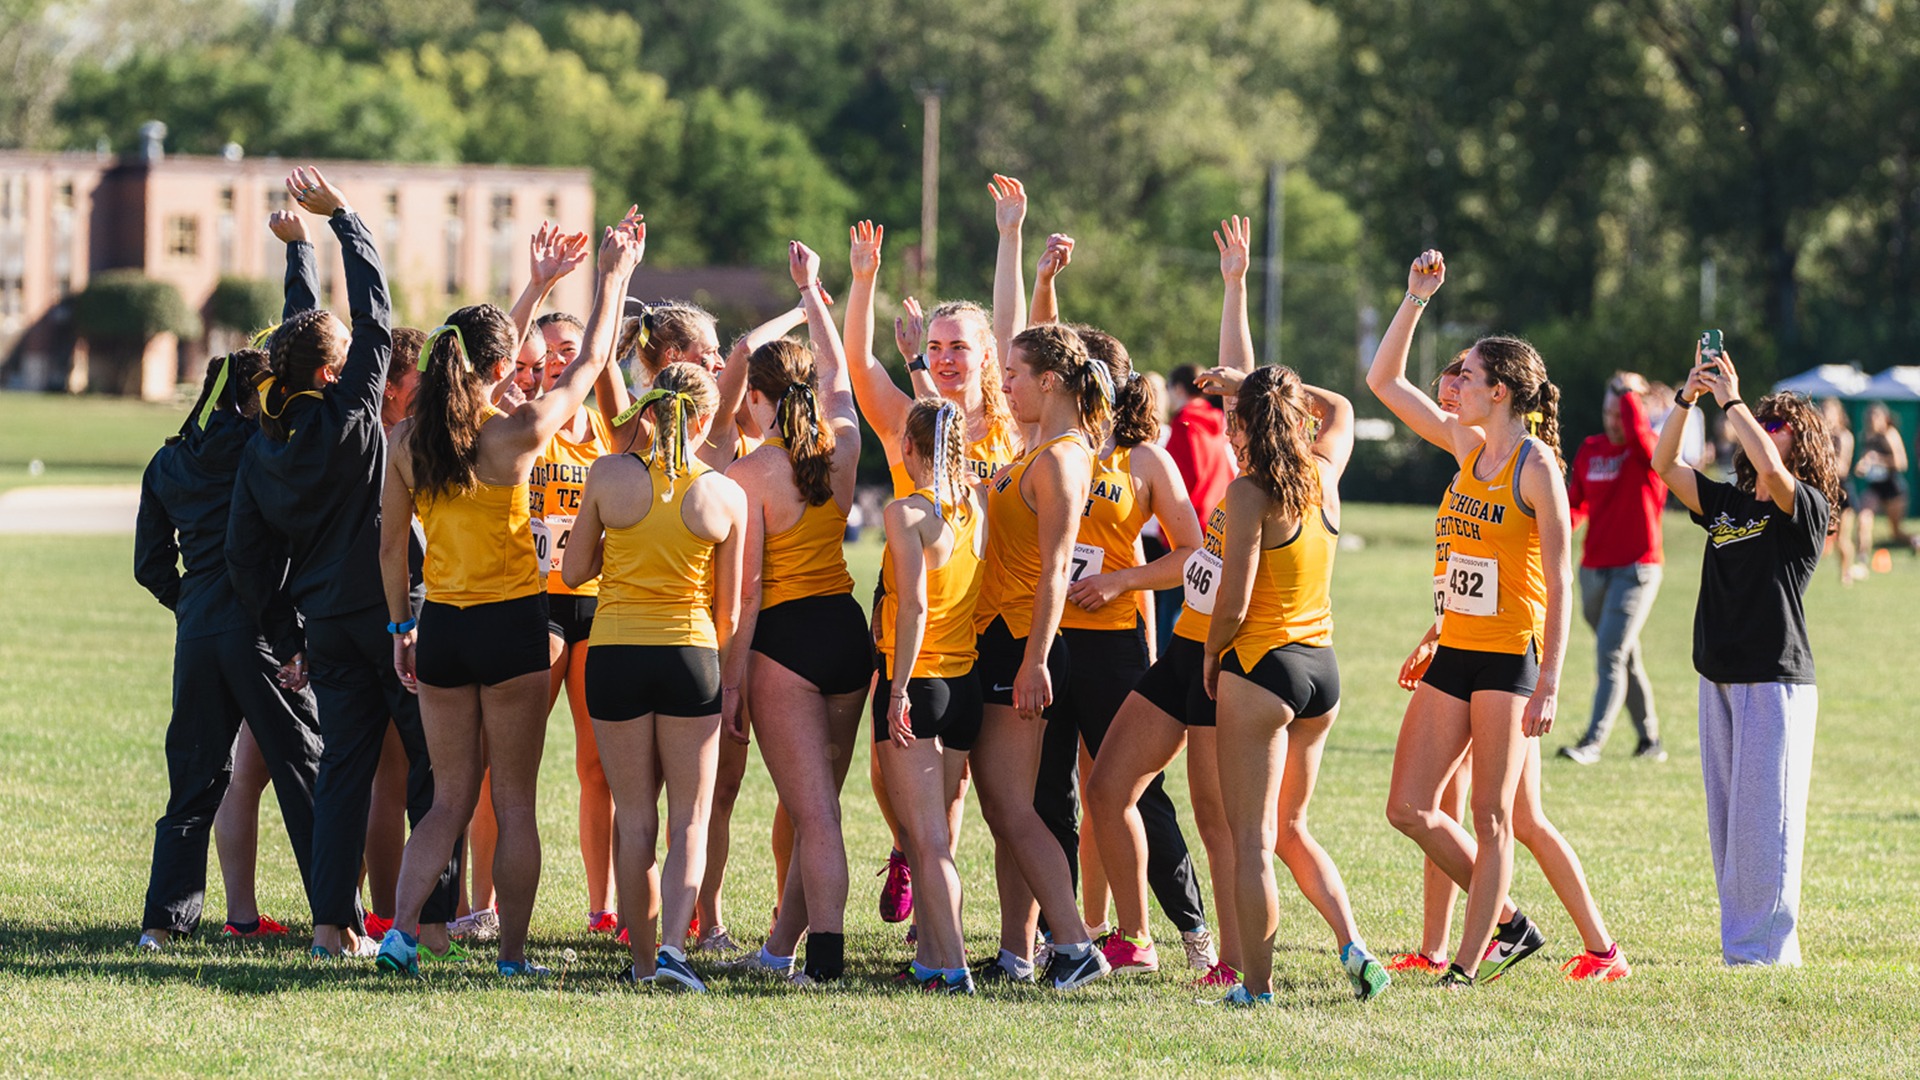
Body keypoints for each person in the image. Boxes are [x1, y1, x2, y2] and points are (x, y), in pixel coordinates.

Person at [372, 212, 643, 977]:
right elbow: (588, 363)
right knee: (516, 800)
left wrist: (400, 627)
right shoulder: (514, 432)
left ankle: (399, 936)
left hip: (443, 628)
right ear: (503, 368)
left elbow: (392, 547)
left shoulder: (406, 441)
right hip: (514, 625)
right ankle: (514, 958)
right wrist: (615, 276)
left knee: (448, 798)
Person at [1369, 250, 1627, 987]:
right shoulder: (1467, 443)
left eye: (1468, 377)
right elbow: (1383, 382)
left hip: (1511, 660)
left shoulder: (1537, 467)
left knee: (1493, 815)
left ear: (1503, 392)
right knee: (1409, 808)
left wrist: (1549, 682)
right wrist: (1415, 297)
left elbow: (1561, 580)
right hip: (1455, 650)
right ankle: (1510, 921)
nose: (1454, 387)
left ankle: (1464, 965)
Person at [226, 168, 456, 959]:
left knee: (341, 779)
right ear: (333, 372)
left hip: (323, 626)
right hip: (393, 614)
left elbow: (244, 558)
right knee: (430, 765)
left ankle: (333, 929)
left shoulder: (268, 444)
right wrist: (346, 221)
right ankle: (428, 922)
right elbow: (376, 317)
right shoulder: (357, 408)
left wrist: (286, 639)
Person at [1085, 218, 1261, 992]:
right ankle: (1139, 934)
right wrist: (1230, 285)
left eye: (1250, 413)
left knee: (1225, 825)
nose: (1233, 415)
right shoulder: (1241, 462)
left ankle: (1228, 959)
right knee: (1107, 787)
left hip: (1229, 656)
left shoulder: (1266, 477)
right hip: (1185, 646)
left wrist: (1237, 289)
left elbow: (1250, 381)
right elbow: (1242, 378)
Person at [842, 215, 1020, 929]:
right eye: (936, 348)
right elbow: (861, 369)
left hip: (991, 621)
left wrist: (1009, 239)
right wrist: (863, 281)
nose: (946, 359)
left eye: (960, 349)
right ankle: (907, 851)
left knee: (966, 779)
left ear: (986, 358)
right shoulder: (914, 425)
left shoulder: (1014, 427)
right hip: (914, 617)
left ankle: (939, 919)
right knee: (892, 768)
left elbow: (1017, 328)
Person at [1197, 362, 1387, 1006]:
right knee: (1292, 827)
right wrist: (1265, 381)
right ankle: (1354, 945)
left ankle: (1257, 987)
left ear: (1245, 423)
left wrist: (1211, 654)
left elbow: (1232, 601)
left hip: (1263, 670)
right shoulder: (1325, 476)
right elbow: (1344, 412)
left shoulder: (1248, 492)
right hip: (1321, 672)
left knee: (1252, 840)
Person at [1651, 348, 1840, 965]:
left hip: (1776, 679)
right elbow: (1664, 463)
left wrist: (1732, 400)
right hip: (1720, 676)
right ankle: (1743, 945)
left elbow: (1775, 473)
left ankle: (1765, 954)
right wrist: (1687, 399)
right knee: (1731, 828)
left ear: (1798, 442)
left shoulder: (1802, 505)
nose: (1763, 427)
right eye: (1764, 420)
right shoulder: (1729, 504)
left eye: (1776, 423)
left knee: (1767, 824)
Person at [565, 358, 748, 990]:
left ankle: (643, 965)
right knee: (689, 820)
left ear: (647, 411)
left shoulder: (608, 474)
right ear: (702, 419)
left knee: (635, 818)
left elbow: (570, 572)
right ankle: (674, 950)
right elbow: (727, 613)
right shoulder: (726, 493)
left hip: (614, 652)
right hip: (689, 657)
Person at [133, 348, 323, 950]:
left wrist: (189, 603)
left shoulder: (168, 461)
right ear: (253, 396)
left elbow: (149, 565)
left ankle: (162, 925)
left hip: (198, 635)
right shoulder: (259, 451)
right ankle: (334, 919)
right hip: (261, 631)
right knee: (306, 767)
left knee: (193, 779)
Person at [720, 241, 870, 985]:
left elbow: (746, 592)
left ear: (757, 397)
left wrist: (733, 677)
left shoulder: (751, 472)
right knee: (822, 811)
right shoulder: (843, 446)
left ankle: (827, 964)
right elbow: (839, 377)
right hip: (847, 632)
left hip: (785, 643)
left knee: (815, 818)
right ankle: (783, 947)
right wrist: (812, 292)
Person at [968, 323, 1111, 989]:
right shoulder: (1040, 448)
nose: (1006, 386)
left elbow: (1056, 569)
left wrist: (1035, 659)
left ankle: (1077, 946)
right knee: (1007, 806)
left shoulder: (1059, 457)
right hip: (1001, 633)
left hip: (1023, 640)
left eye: (1016, 375)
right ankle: (1016, 954)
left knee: (1009, 804)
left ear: (1048, 381)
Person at [873, 400, 986, 993]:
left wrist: (896, 691)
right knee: (930, 837)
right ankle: (933, 963)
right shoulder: (977, 504)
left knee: (928, 840)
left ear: (908, 449)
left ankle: (956, 965)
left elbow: (913, 605)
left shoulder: (905, 512)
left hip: (920, 680)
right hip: (965, 684)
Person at [529, 309, 623, 935]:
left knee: (598, 766)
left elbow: (619, 407)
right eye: (551, 351)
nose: (564, 359)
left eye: (574, 348)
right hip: (534, 601)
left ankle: (602, 907)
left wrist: (606, 344)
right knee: (506, 763)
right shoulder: (524, 423)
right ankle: (480, 905)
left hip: (597, 601)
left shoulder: (608, 430)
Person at [1559, 371, 1668, 764]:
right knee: (1623, 654)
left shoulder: (1650, 449)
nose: (1613, 420)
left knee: (1610, 653)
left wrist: (1630, 396)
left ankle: (1592, 741)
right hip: (1593, 571)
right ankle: (1649, 739)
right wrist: (1554, 532)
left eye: (1620, 411)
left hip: (1636, 570)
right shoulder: (1591, 449)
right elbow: (1576, 504)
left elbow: (1640, 436)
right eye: (1608, 411)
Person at [1853, 403, 1910, 552]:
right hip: (1875, 487)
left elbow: (1902, 463)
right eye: (1870, 417)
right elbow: (1863, 461)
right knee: (1863, 520)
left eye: (1876, 417)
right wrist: (1862, 466)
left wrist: (1879, 459)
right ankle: (1862, 561)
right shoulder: (1866, 436)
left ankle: (1915, 541)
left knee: (1896, 533)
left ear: (1885, 418)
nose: (1872, 420)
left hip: (1893, 486)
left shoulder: (1890, 434)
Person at [1822, 399, 1862, 585]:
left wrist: (1820, 462)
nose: (1826, 414)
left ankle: (1847, 573)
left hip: (1842, 492)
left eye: (1829, 411)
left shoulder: (1844, 436)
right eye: (1823, 410)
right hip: (1824, 490)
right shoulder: (1819, 436)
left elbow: (1842, 469)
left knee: (1843, 538)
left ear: (1839, 414)